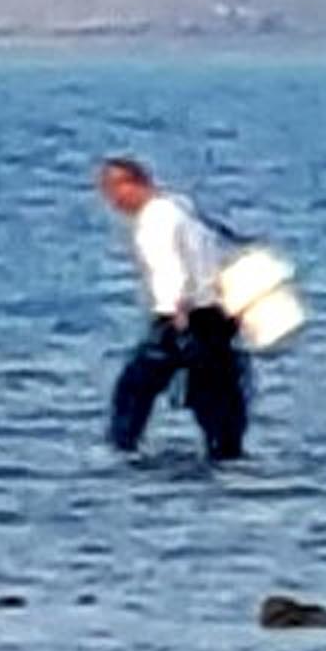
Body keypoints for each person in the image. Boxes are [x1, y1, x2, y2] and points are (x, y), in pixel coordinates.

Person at [95, 157, 247, 462]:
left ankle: (121, 455)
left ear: (132, 184)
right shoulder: (181, 207)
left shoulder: (155, 219)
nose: (111, 202)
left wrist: (177, 316)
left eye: (112, 191)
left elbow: (170, 269)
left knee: (133, 391)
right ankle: (227, 455)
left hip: (182, 318)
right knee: (217, 395)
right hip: (217, 315)